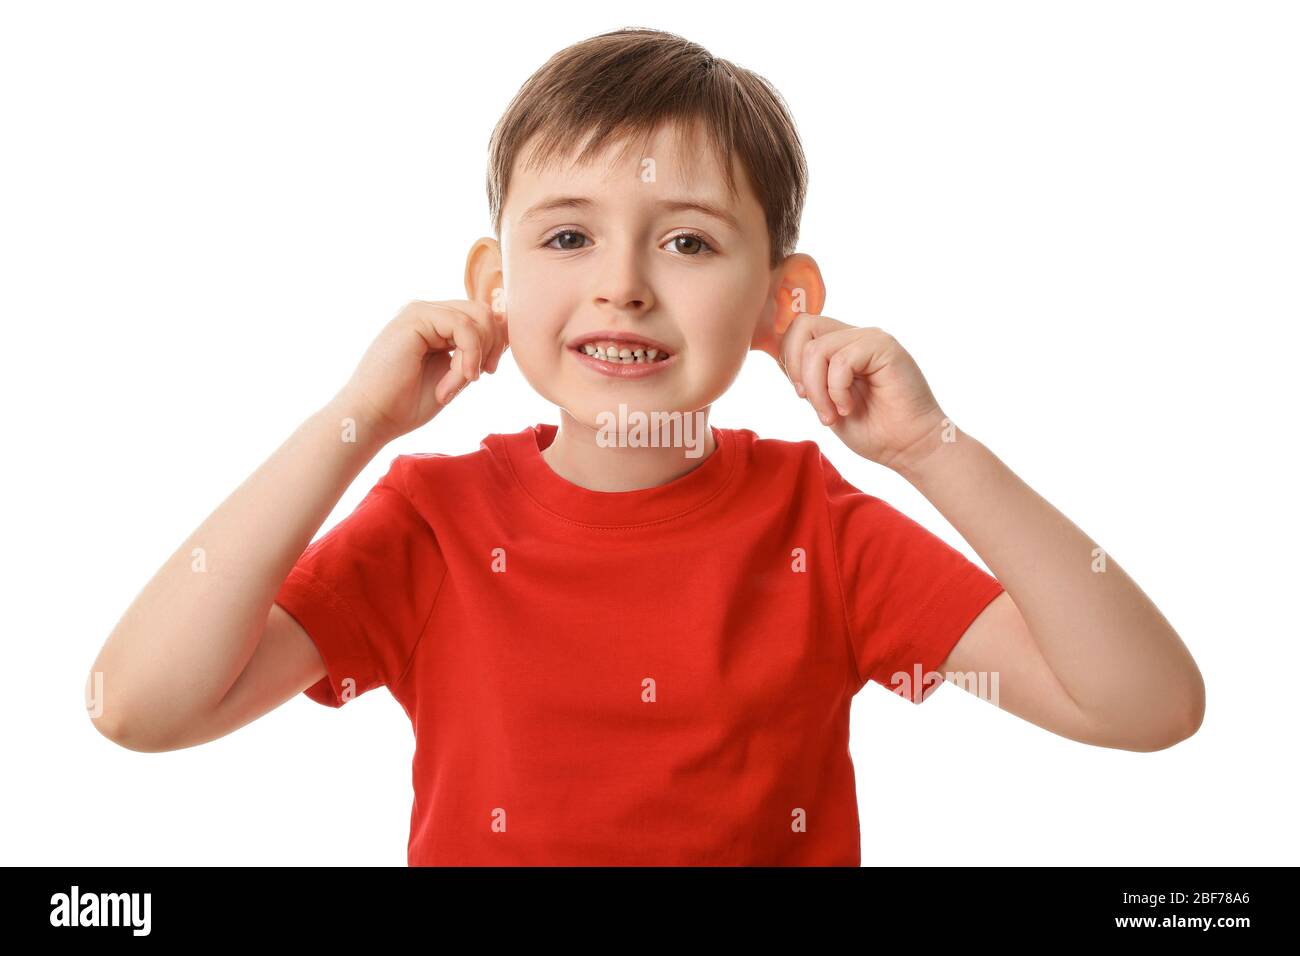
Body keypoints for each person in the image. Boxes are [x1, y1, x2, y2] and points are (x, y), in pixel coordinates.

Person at [87, 27, 1204, 866]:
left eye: (685, 241)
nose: (621, 283)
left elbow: (1145, 705)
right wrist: (354, 422)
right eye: (568, 235)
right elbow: (141, 704)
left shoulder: (817, 526)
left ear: (782, 300)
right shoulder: (431, 521)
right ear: (496, 285)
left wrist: (928, 446)